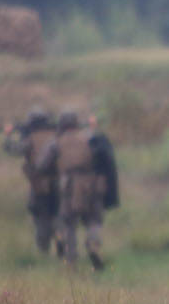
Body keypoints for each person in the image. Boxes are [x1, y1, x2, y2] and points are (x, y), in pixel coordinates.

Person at [45, 110, 116, 271]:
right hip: (93, 185)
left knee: (69, 223)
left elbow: (43, 164)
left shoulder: (57, 142)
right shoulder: (91, 138)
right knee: (93, 220)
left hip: (69, 186)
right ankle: (93, 246)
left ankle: (71, 260)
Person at [1, 107, 59, 253]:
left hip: (39, 185)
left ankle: (43, 250)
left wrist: (7, 136)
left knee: (41, 217)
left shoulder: (30, 139)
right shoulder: (57, 135)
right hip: (60, 184)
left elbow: (14, 149)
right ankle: (61, 239)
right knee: (58, 213)